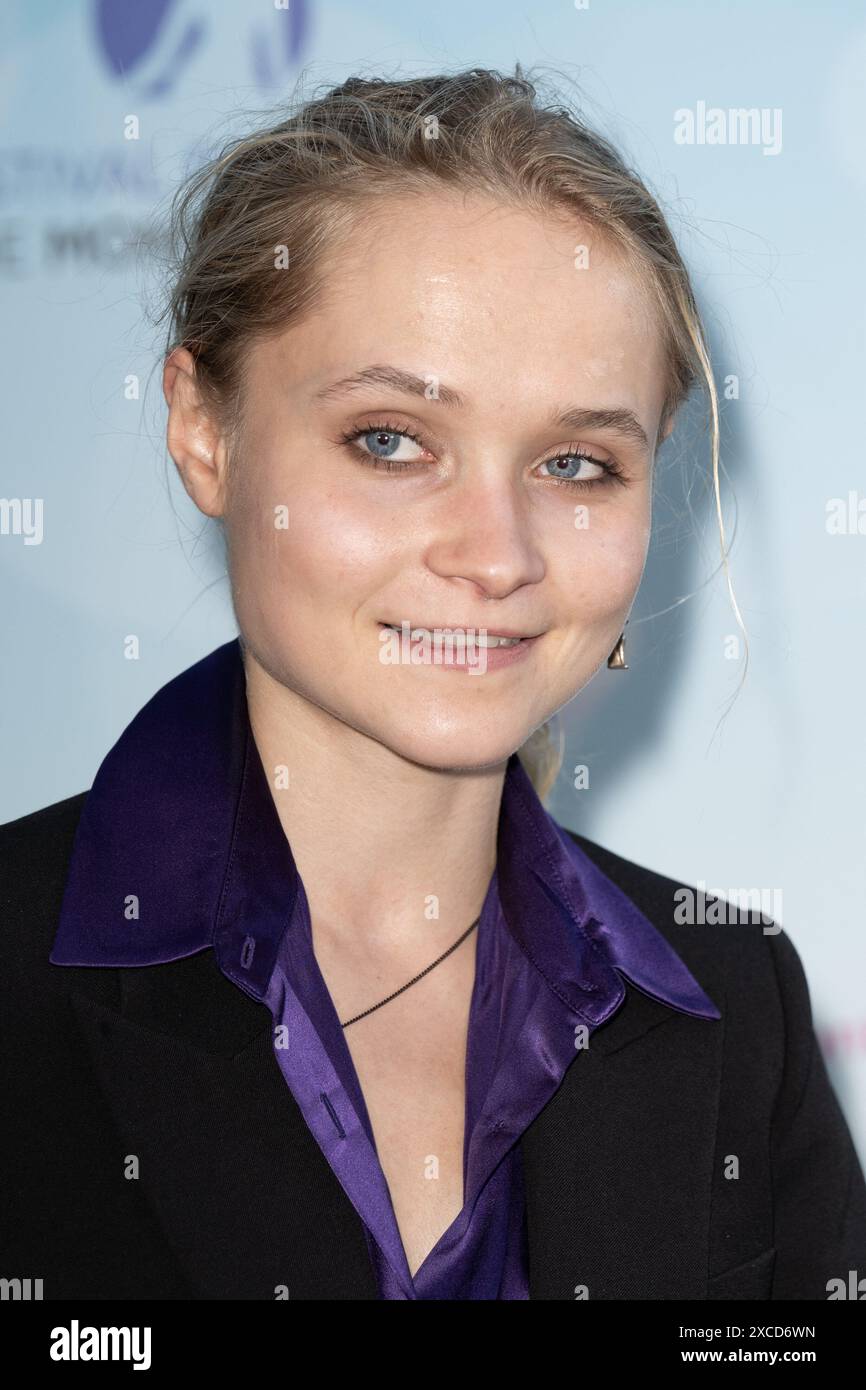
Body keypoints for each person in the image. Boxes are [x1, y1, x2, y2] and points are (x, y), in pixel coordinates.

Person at [2, 66, 865, 1301]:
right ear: (205, 432)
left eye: (575, 463)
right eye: (391, 442)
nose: (497, 553)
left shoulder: (735, 1005)